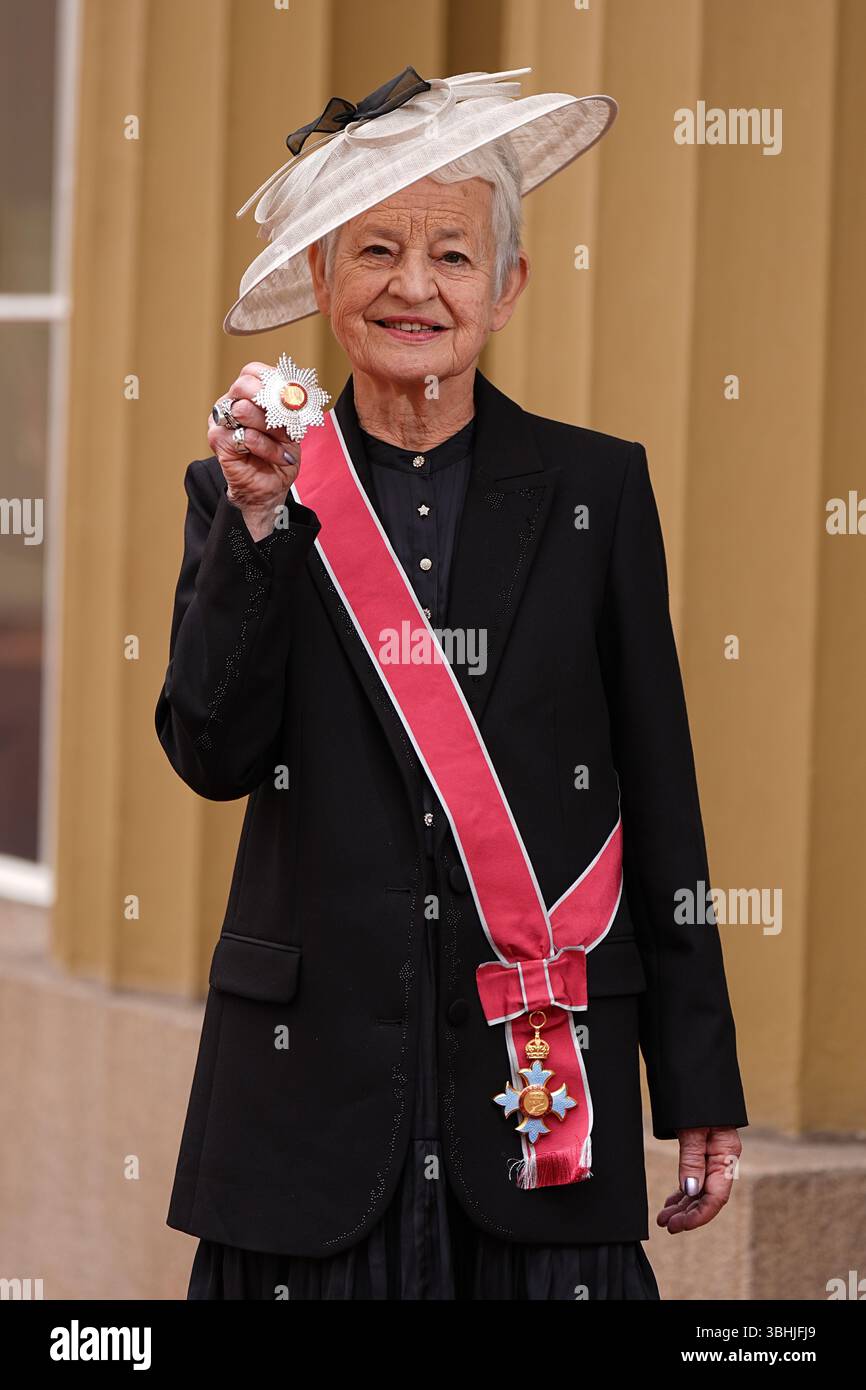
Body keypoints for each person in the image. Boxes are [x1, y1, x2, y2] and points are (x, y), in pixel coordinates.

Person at [155, 66, 748, 1301]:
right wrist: (262, 530)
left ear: (508, 287)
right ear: (321, 282)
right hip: (306, 1094)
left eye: (452, 254)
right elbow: (210, 753)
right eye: (373, 249)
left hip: (542, 1087)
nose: (412, 286)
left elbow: (661, 789)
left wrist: (697, 1083)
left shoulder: (596, 491)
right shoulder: (250, 487)